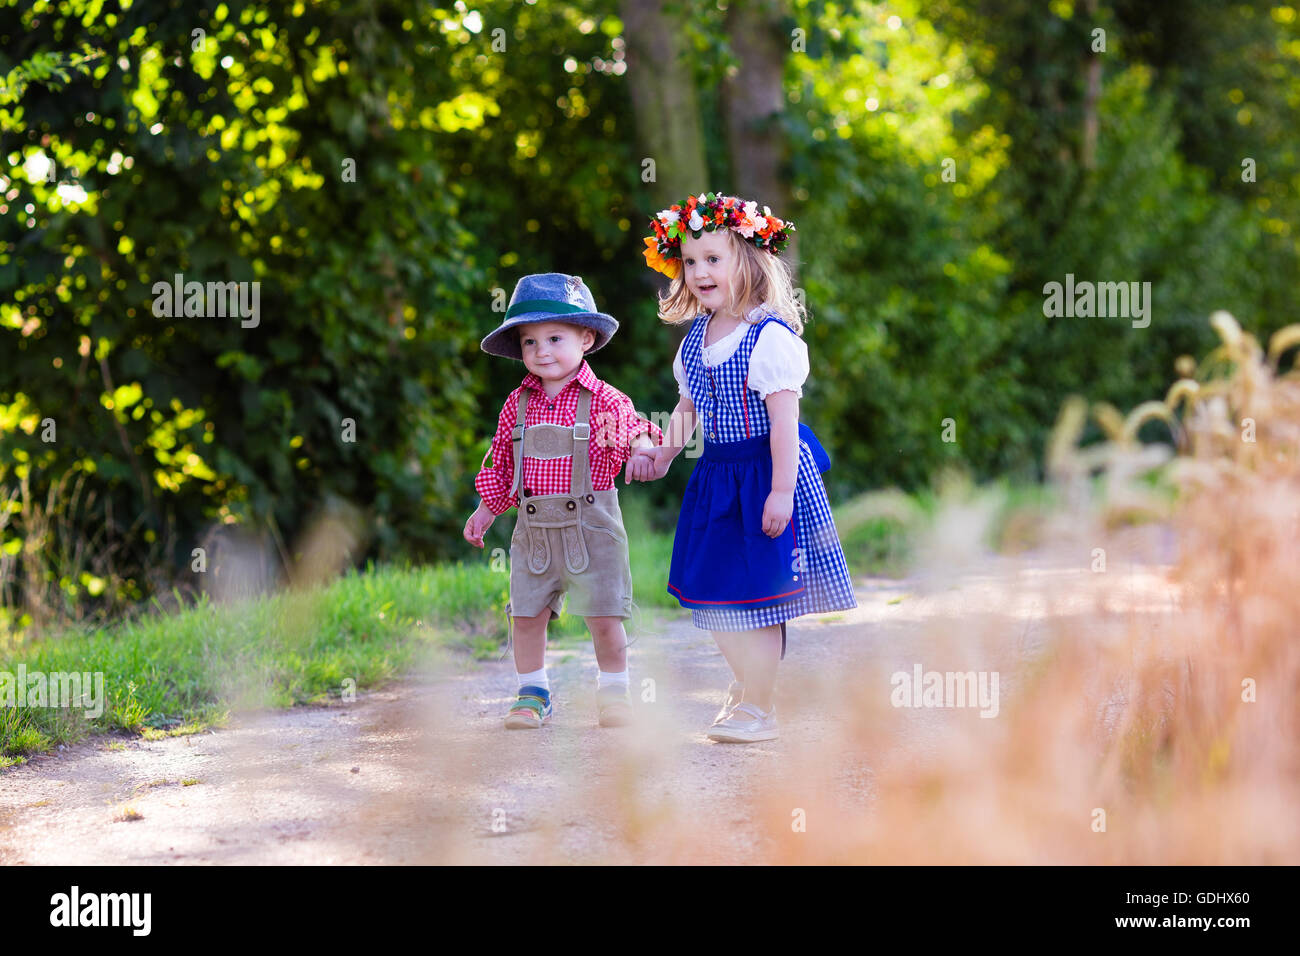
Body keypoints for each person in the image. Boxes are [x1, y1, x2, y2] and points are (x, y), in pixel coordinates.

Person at [629, 192, 858, 743]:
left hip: (765, 472)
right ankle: (750, 687)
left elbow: (784, 424)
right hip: (718, 476)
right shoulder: (694, 342)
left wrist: (780, 492)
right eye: (690, 261)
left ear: (748, 261)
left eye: (714, 258)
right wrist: (663, 452)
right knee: (714, 589)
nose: (700, 271)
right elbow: (689, 408)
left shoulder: (769, 338)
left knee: (761, 589)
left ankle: (760, 705)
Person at [465, 273, 662, 730]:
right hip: (534, 532)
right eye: (530, 341)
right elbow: (502, 465)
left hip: (592, 529)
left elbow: (633, 429)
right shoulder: (517, 404)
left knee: (604, 617)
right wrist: (485, 509)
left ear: (586, 338)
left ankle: (614, 692)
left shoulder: (604, 400)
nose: (542, 351)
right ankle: (533, 692)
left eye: (555, 338)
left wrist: (639, 449)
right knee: (527, 616)